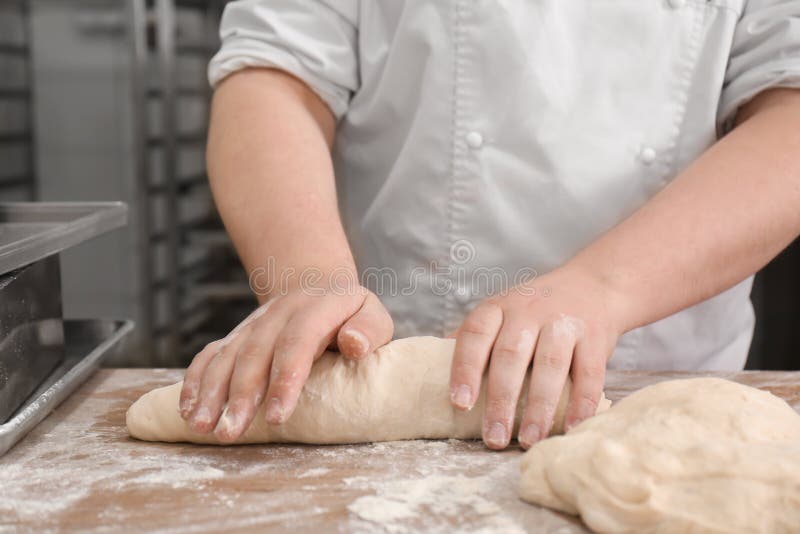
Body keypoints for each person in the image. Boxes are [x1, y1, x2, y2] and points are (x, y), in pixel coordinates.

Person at [178, 0, 800, 450]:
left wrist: (607, 288)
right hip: (367, 349)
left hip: (663, 381)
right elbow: (274, 73)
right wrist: (309, 276)